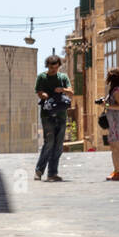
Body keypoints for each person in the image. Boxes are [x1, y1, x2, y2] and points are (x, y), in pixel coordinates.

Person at [34, 54, 72, 182]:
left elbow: (71, 91)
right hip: (47, 114)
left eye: (55, 68)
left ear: (58, 67)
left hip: (61, 114)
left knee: (58, 145)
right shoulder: (42, 77)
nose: (53, 71)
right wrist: (46, 96)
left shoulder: (63, 77)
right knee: (49, 142)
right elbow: (39, 92)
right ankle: (39, 171)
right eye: (51, 68)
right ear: (47, 66)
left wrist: (62, 90)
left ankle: (52, 173)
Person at [97, 67, 119, 181]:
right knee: (114, 147)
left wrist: (106, 106)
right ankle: (116, 170)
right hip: (114, 123)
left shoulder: (117, 91)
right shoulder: (114, 91)